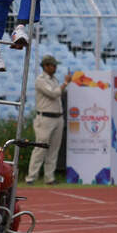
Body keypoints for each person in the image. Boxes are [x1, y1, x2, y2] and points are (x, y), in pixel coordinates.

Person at [26, 55, 70, 185]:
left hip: (57, 117)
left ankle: (49, 177)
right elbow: (54, 93)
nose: (55, 68)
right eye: (52, 65)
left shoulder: (54, 79)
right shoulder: (40, 80)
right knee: (40, 148)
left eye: (55, 65)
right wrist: (66, 83)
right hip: (45, 118)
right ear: (45, 66)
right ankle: (31, 177)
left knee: (53, 150)